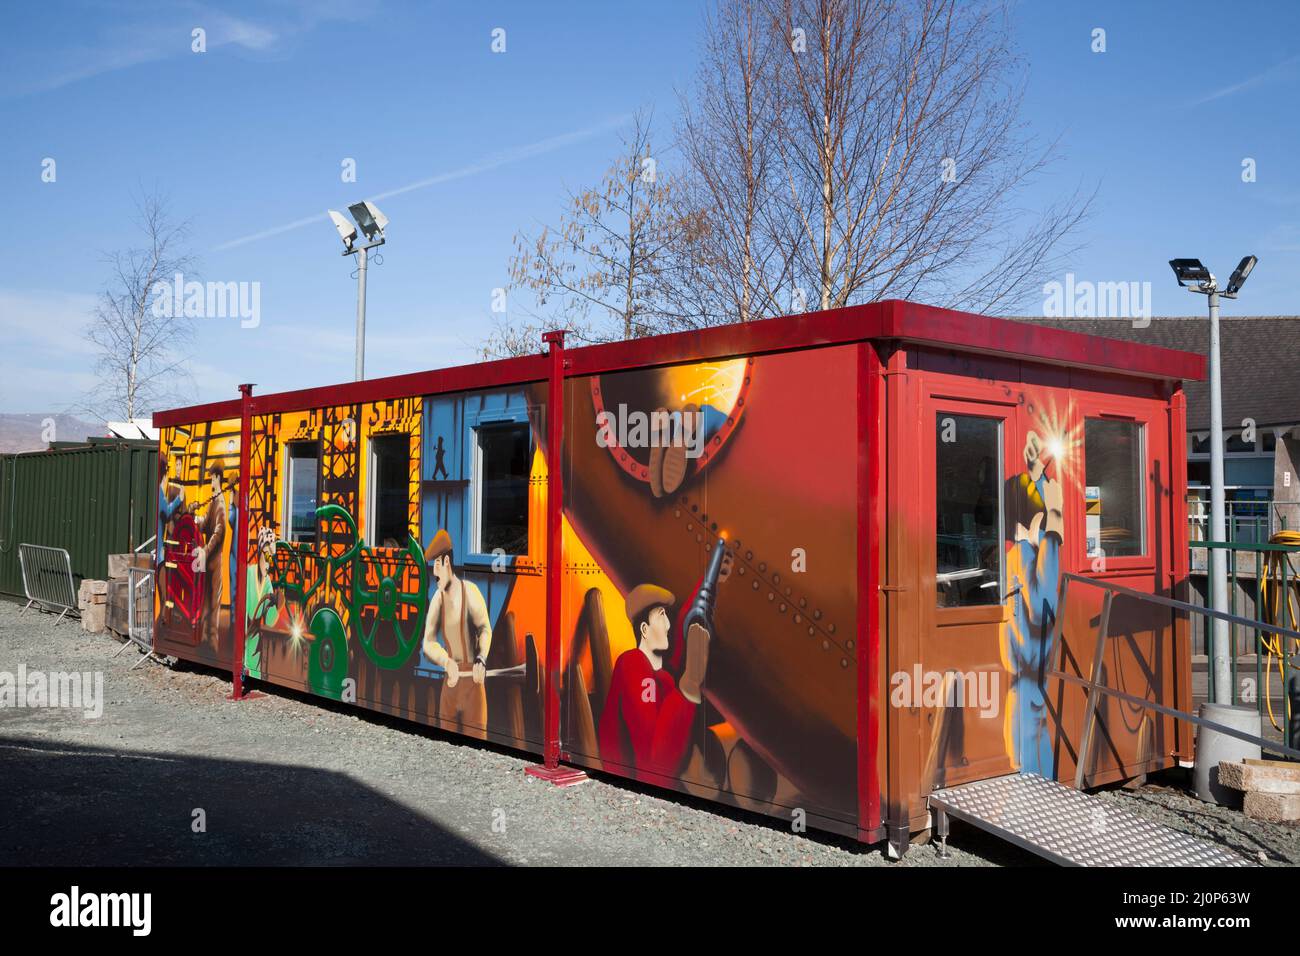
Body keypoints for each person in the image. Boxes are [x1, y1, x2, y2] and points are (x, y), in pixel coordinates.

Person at [597, 584, 711, 781]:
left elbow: (685, 617)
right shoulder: (633, 664)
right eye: (661, 615)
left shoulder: (662, 677)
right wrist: (690, 684)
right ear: (644, 629)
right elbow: (654, 764)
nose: (668, 624)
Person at [420, 530, 492, 739]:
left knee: (477, 741)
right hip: (450, 682)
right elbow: (428, 642)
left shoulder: (470, 592)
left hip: (473, 685)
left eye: (436, 565)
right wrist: (445, 662)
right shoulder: (438, 598)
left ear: (446, 562)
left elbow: (485, 629)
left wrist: (481, 659)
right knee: (445, 740)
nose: (433, 573)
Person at [193, 462, 228, 649]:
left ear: (217, 478)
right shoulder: (215, 500)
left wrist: (205, 551)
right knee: (208, 600)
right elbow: (206, 522)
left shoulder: (220, 502)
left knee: (213, 603)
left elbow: (219, 532)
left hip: (214, 562)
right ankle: (206, 641)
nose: (210, 481)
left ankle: (212, 645)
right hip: (210, 562)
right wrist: (193, 518)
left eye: (211, 478)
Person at [156, 454, 186, 623]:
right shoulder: (162, 490)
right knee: (164, 586)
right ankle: (164, 618)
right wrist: (178, 501)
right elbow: (166, 513)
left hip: (165, 546)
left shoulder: (162, 489)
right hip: (162, 548)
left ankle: (165, 616)